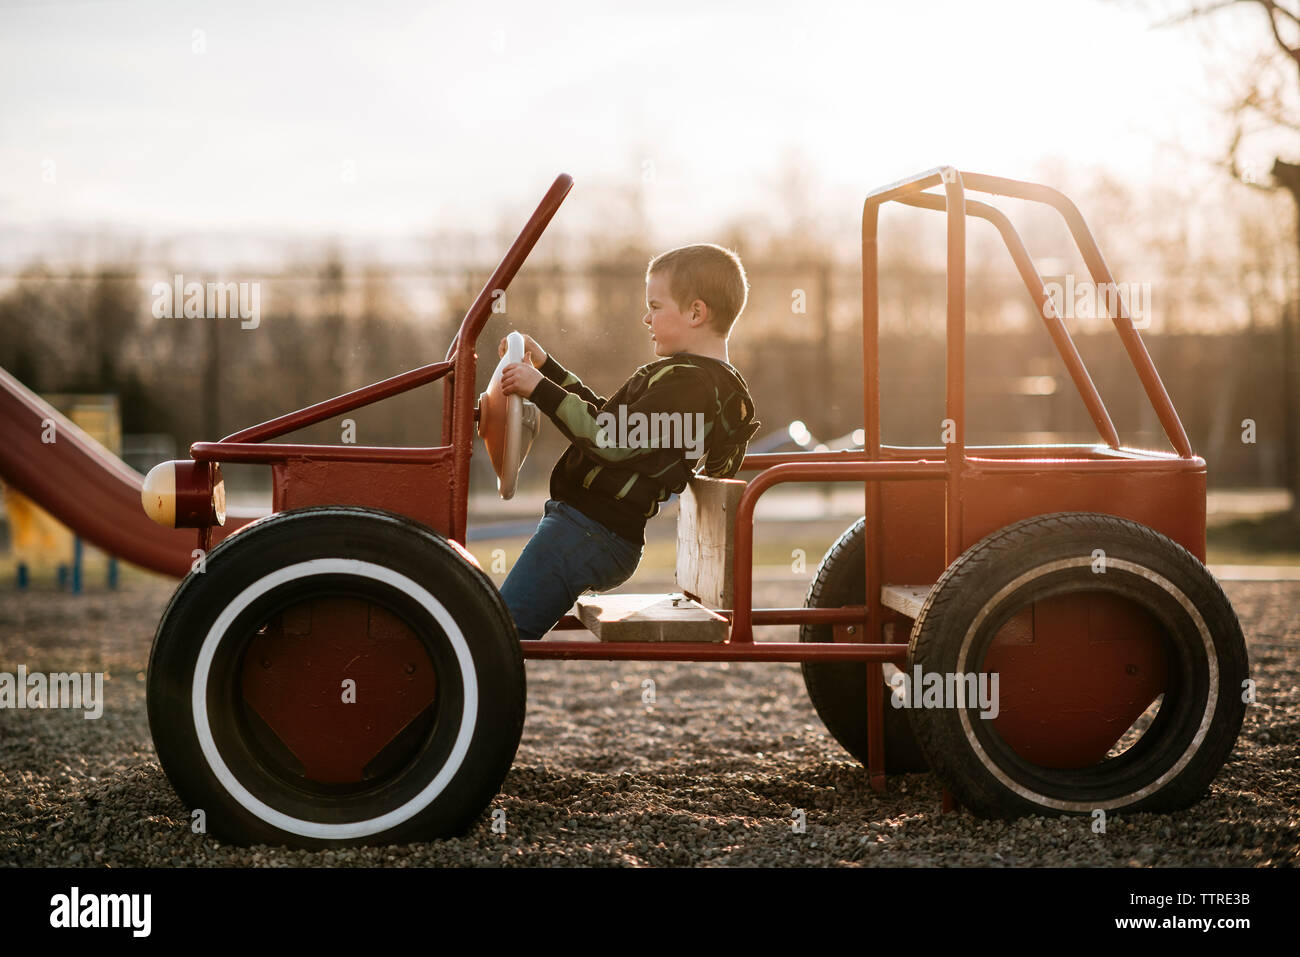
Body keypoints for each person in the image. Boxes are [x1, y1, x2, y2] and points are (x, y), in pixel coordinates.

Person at [496, 243, 761, 641]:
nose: (645, 317)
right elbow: (610, 421)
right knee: (498, 626)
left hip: (592, 532)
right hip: (589, 529)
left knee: (497, 631)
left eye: (655, 306)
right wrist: (547, 369)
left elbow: (610, 438)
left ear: (695, 313)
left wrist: (541, 391)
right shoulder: (694, 380)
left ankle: (476, 693)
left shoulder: (691, 386)